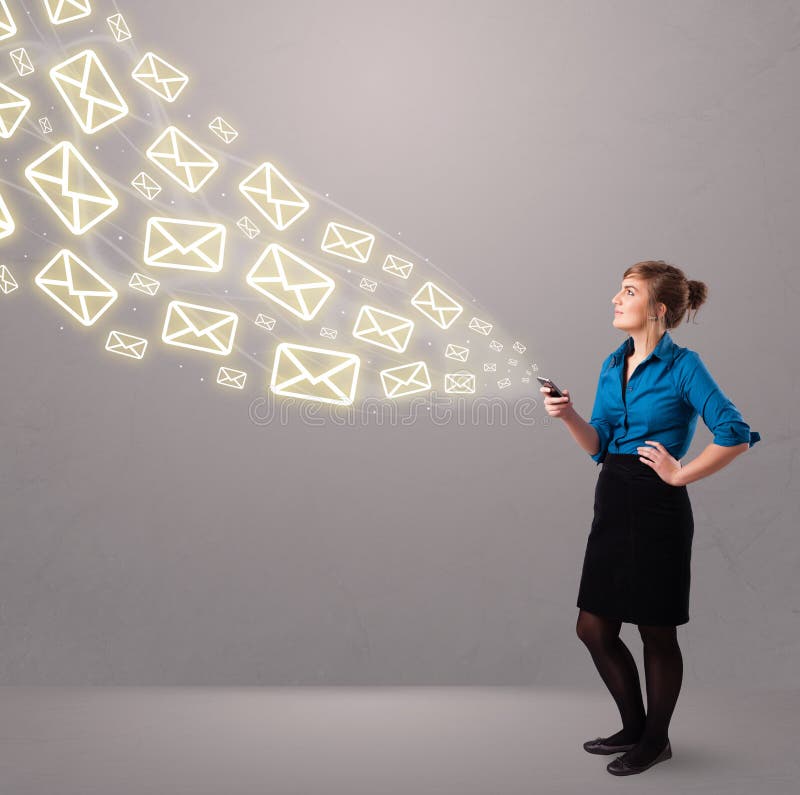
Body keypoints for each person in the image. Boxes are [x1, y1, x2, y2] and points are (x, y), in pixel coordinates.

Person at [540, 260, 761, 776]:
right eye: (619, 290)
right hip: (613, 498)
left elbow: (734, 432)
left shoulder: (686, 366)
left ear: (658, 309)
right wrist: (568, 415)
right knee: (593, 627)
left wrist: (681, 475)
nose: (616, 299)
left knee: (656, 632)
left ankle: (656, 741)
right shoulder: (610, 362)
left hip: (657, 506)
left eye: (629, 292)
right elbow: (599, 444)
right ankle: (635, 727)